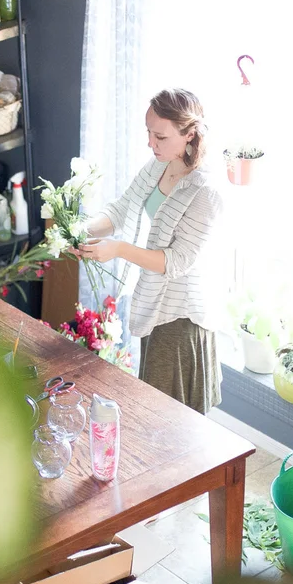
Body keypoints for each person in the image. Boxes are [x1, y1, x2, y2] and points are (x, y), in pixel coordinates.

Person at [79, 88, 224, 414]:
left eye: (159, 135)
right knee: (156, 412)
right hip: (155, 304)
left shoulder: (206, 191)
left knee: (171, 419)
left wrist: (117, 249)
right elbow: (122, 209)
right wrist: (79, 230)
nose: (150, 142)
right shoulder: (161, 164)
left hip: (181, 316)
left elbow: (177, 261)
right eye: (148, 132)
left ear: (189, 134)